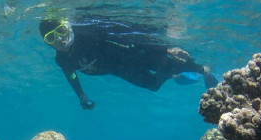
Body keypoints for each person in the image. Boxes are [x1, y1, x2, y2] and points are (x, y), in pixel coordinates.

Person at [39, 18, 218, 109]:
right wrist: (81, 96)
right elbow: (70, 75)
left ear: (67, 26)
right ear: (47, 43)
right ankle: (174, 75)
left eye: (61, 30)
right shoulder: (61, 59)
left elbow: (123, 36)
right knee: (154, 85)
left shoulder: (86, 34)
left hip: (129, 53)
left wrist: (166, 49)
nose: (60, 39)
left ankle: (203, 70)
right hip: (120, 70)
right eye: (51, 38)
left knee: (167, 61)